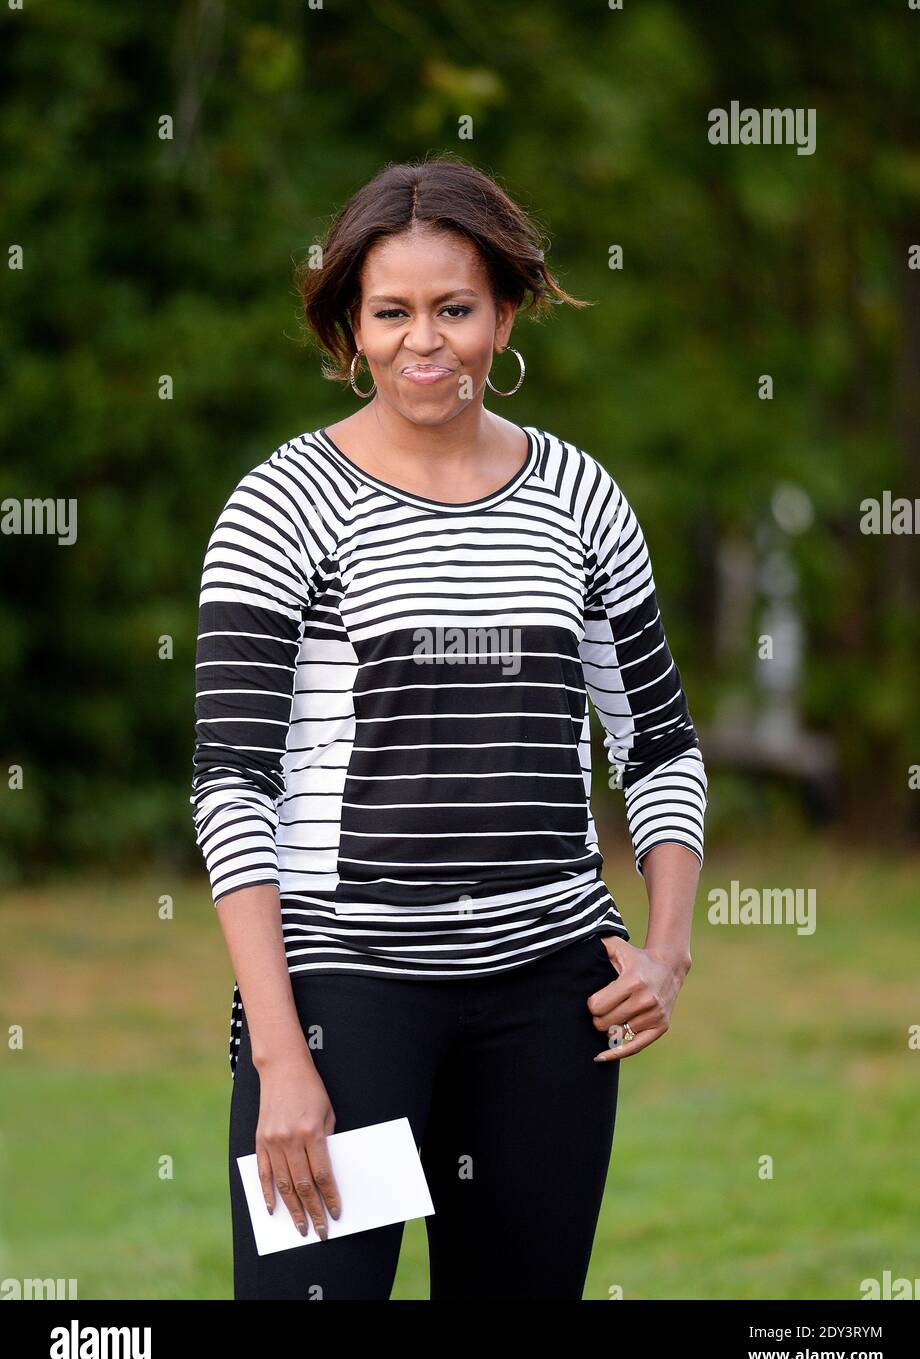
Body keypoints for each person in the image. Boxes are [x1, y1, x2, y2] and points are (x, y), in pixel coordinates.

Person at [190, 155, 708, 1300]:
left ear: (504, 315)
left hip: (547, 1009)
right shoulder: (283, 505)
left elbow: (660, 744)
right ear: (351, 328)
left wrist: (666, 951)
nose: (425, 341)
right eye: (392, 311)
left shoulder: (580, 497)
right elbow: (233, 783)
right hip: (347, 1008)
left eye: (454, 308)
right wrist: (283, 1057)